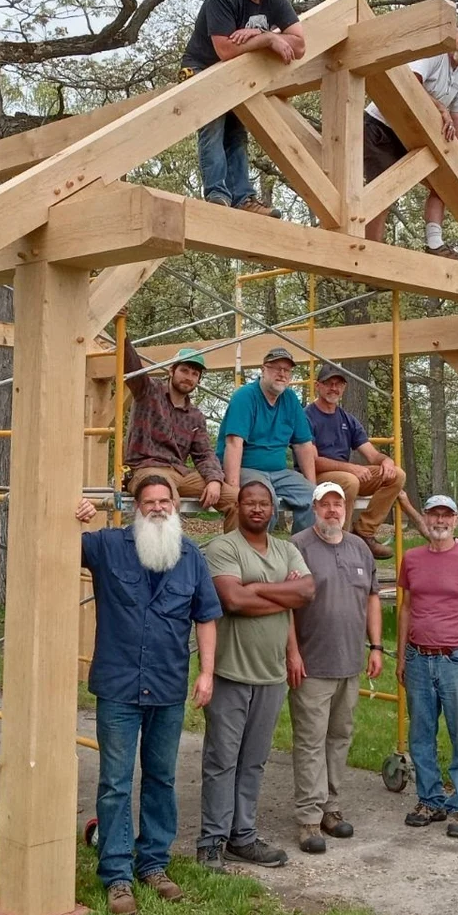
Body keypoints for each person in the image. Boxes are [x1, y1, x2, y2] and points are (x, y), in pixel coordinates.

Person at [73, 477, 222, 915]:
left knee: (162, 778)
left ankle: (153, 864)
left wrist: (207, 673)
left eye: (164, 501)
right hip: (118, 686)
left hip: (168, 685)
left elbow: (207, 617)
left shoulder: (191, 556)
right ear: (135, 507)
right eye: (149, 502)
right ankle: (118, 874)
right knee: (115, 783)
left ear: (175, 506)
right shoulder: (107, 546)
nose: (157, 508)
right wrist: (74, 513)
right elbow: (55, 541)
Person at [197, 478, 315, 871]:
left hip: (270, 674)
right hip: (231, 670)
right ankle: (211, 840)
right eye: (249, 502)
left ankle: (242, 836)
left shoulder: (286, 548)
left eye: (264, 503)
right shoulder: (223, 547)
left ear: (274, 508)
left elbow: (307, 593)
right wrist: (282, 594)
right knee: (222, 759)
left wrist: (257, 591)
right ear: (238, 508)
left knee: (254, 761)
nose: (257, 509)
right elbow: (231, 599)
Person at [285, 481, 382, 854]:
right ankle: (308, 818)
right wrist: (292, 652)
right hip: (311, 664)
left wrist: (376, 646)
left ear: (347, 509)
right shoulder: (297, 547)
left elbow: (372, 598)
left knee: (339, 737)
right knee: (310, 741)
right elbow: (287, 605)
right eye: (324, 504)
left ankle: (331, 807)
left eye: (337, 504)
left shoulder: (359, 547)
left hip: (350, 662)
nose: (332, 511)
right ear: (314, 508)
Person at [179, 0, 305, 217]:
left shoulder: (275, 1)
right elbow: (224, 50)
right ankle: (217, 195)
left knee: (238, 131)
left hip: (239, 76)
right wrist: (269, 40)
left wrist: (263, 34)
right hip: (202, 68)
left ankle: (243, 198)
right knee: (214, 122)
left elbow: (299, 45)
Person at [396, 494, 458, 840]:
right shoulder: (411, 559)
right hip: (419, 657)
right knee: (421, 733)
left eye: (446, 516)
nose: (440, 522)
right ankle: (430, 799)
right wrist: (401, 654)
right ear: (425, 518)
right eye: (434, 515)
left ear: (455, 521)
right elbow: (406, 608)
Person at [362, 15, 458, 259]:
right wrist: (441, 108)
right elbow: (411, 83)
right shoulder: (435, 50)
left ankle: (435, 243)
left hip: (412, 138)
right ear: (454, 33)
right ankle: (370, 256)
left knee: (448, 181)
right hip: (381, 127)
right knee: (384, 192)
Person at [121, 338, 238, 523]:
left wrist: (214, 480)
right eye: (184, 370)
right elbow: (131, 366)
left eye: (194, 374)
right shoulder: (148, 390)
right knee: (166, 500)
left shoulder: (195, 416)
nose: (189, 377)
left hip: (180, 473)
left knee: (239, 500)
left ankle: (235, 552)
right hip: (146, 467)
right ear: (171, 370)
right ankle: (162, 552)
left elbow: (204, 454)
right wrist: (123, 336)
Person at [304, 362, 406, 560]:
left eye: (338, 384)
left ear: (344, 388)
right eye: (328, 383)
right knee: (350, 481)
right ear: (318, 386)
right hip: (316, 475)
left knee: (397, 475)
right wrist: (352, 468)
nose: (334, 388)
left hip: (346, 475)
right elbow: (312, 461)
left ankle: (365, 532)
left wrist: (386, 461)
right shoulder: (306, 416)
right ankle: (342, 542)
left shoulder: (347, 419)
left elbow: (372, 455)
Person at [216, 347, 317, 533]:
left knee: (315, 498)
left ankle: (300, 555)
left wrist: (313, 485)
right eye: (276, 368)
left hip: (279, 472)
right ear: (263, 370)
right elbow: (233, 443)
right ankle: (256, 556)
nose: (282, 374)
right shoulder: (245, 396)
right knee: (263, 499)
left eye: (287, 370)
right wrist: (233, 488)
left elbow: (303, 445)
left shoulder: (290, 399)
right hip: (247, 468)